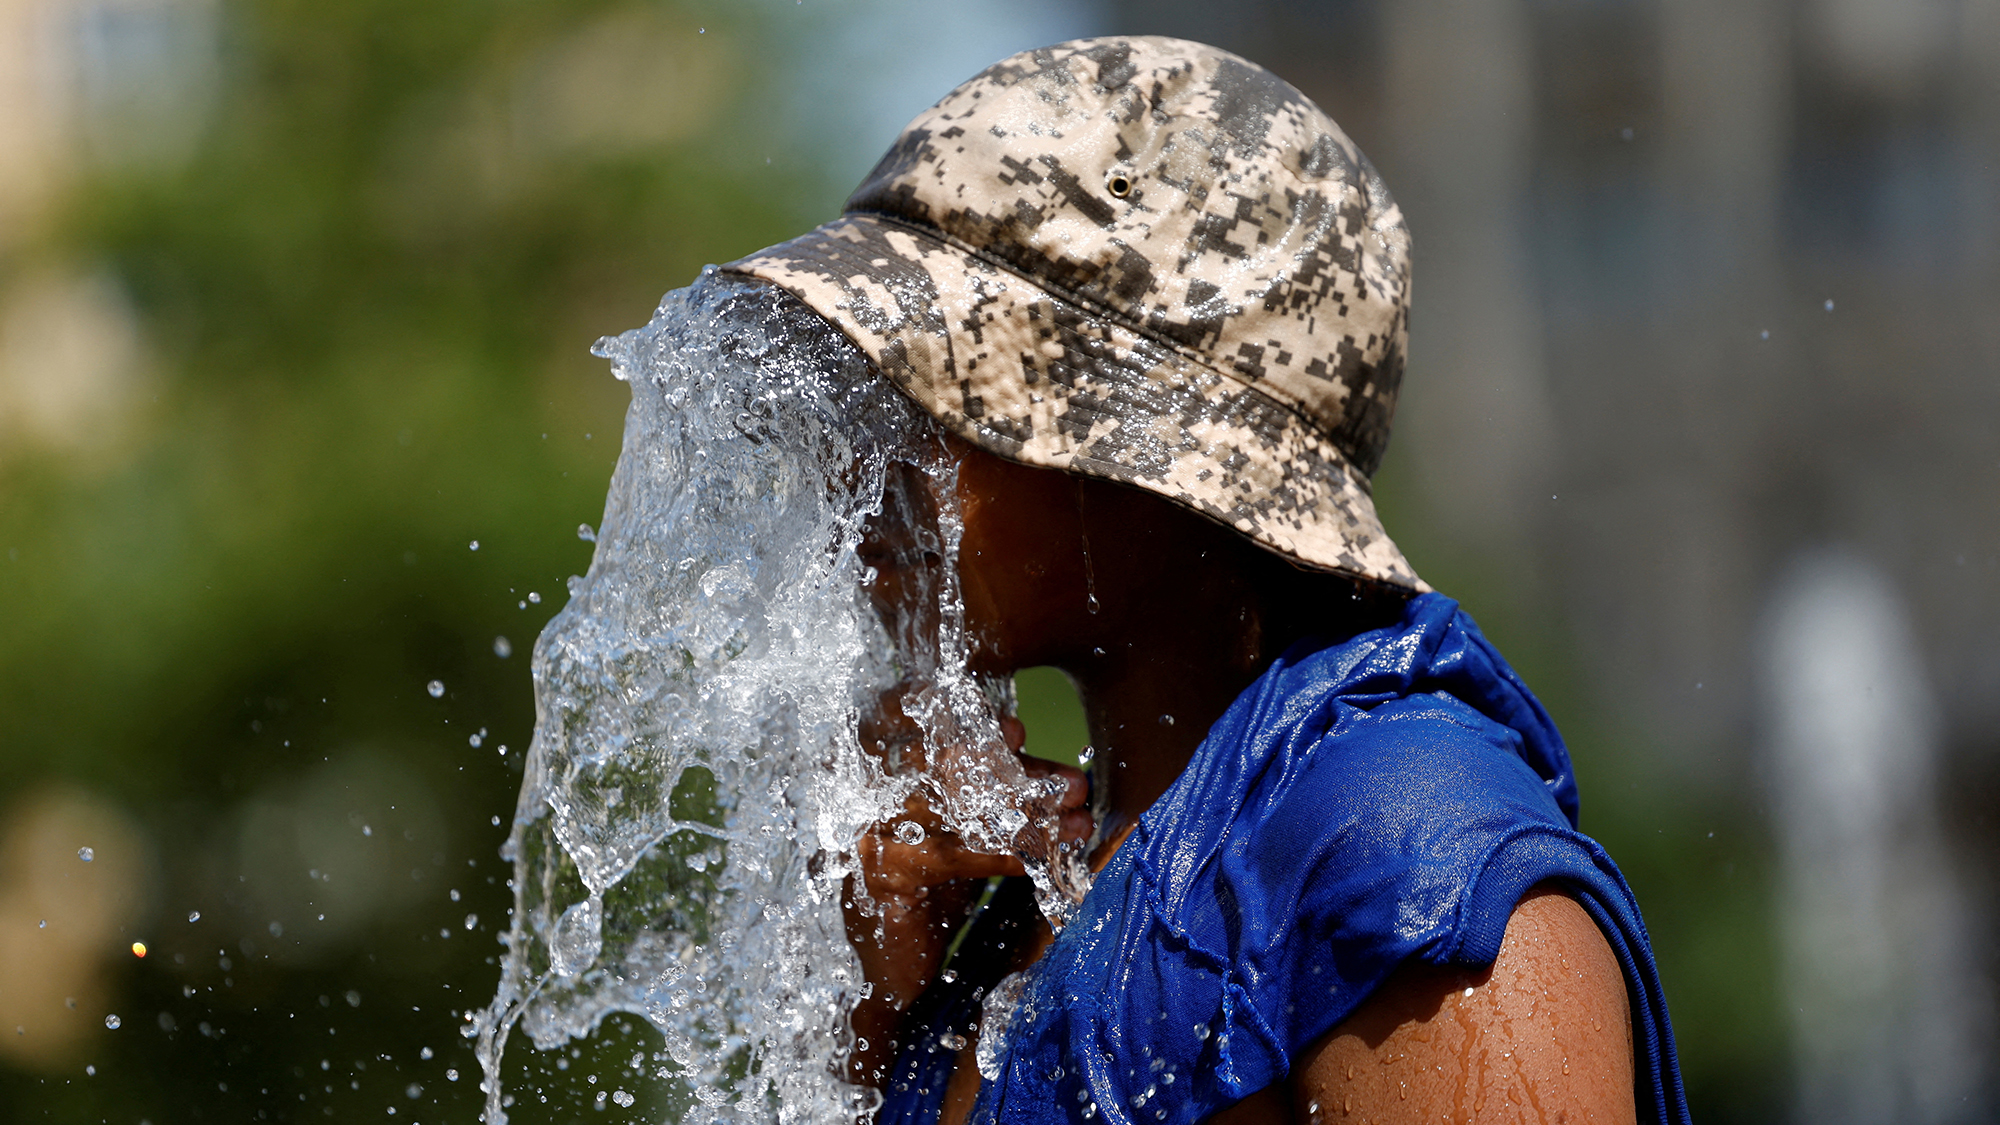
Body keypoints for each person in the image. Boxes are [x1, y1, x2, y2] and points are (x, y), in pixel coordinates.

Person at [717, 36, 1688, 1125]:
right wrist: (883, 1006)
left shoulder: (1401, 868)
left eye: (935, 394)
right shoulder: (1040, 886)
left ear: (1150, 444)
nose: (868, 465)